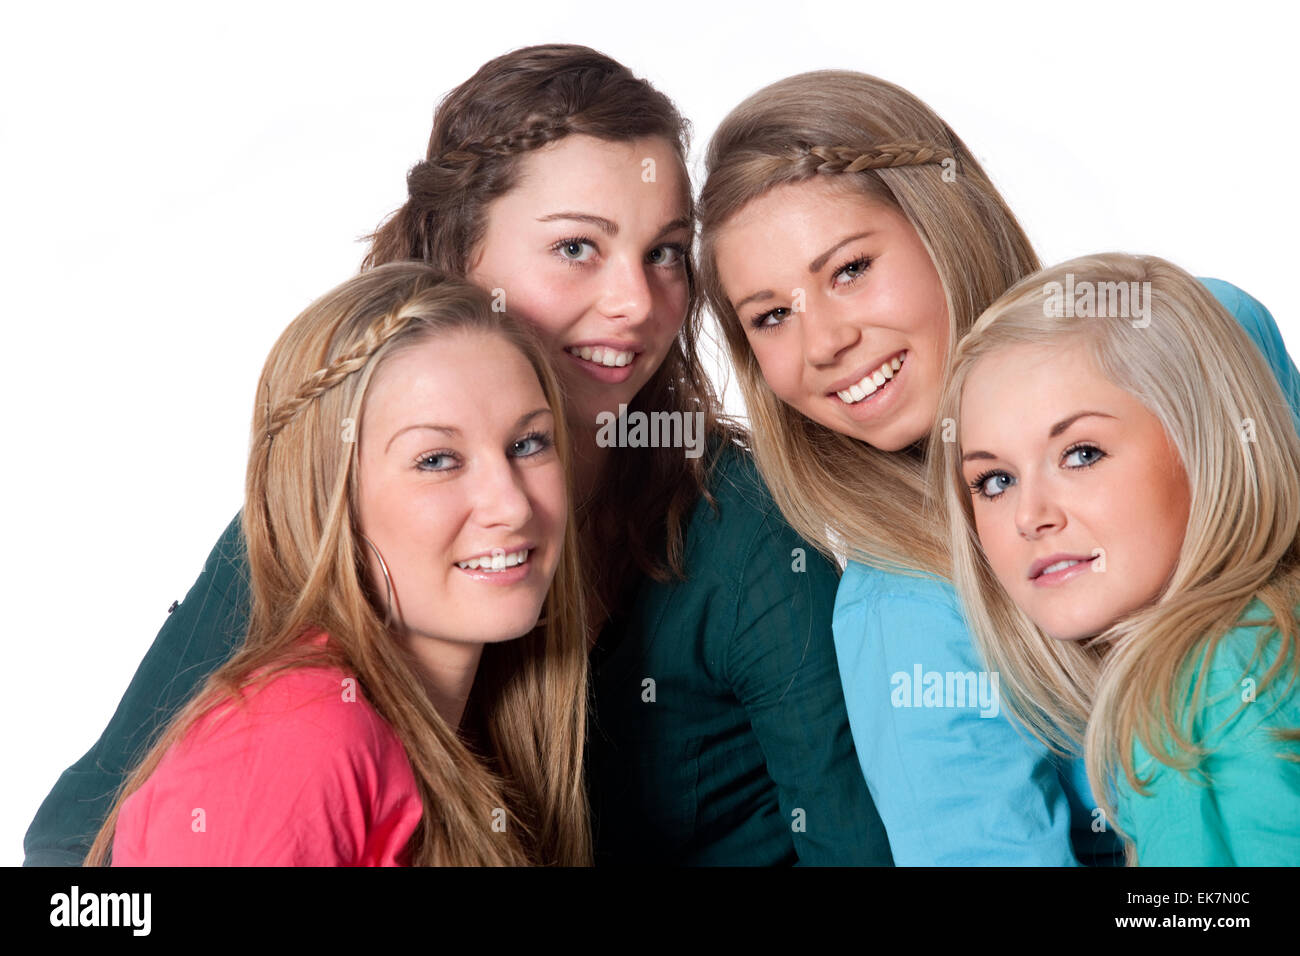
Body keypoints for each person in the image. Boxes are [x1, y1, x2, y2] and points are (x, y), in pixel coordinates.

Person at [27, 45, 889, 867]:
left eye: (664, 252)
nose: (635, 302)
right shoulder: (325, 526)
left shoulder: (740, 532)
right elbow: (76, 843)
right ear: (456, 259)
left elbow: (857, 844)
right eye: (575, 248)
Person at [696, 69, 1300, 864]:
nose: (823, 343)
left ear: (941, 222)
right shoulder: (905, 616)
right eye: (771, 317)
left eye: (848, 270)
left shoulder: (1208, 330)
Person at [93, 262, 590, 865]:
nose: (511, 505)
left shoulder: (477, 729)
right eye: (437, 460)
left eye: (528, 444)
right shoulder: (299, 739)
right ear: (330, 502)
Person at [936, 252, 1300, 865]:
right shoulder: (1260, 635)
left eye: (1080, 454)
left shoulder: (1192, 691)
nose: (1030, 516)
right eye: (994, 481)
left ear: (1203, 444)